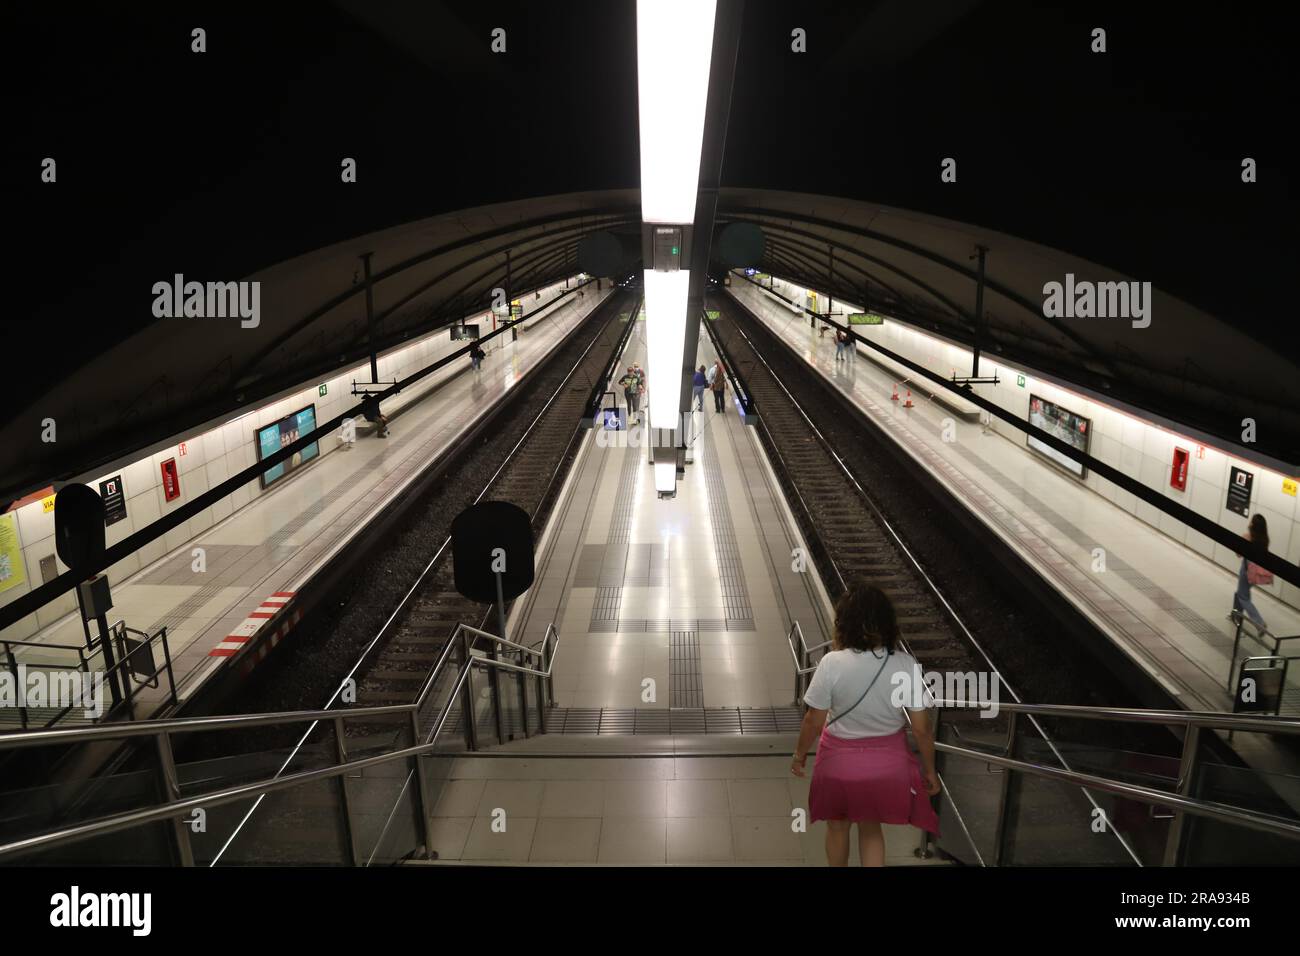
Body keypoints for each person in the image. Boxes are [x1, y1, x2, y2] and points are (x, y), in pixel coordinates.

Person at [792, 581, 940, 866]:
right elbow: (922, 728)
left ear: (843, 623)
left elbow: (813, 720)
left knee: (837, 826)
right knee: (871, 828)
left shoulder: (832, 663)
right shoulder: (905, 664)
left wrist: (799, 756)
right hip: (887, 767)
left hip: (838, 765)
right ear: (887, 623)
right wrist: (930, 769)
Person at [1231, 514, 1271, 632]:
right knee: (1241, 593)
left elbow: (1238, 554)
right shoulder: (1265, 540)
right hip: (1257, 573)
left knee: (1243, 597)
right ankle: (1236, 616)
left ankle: (1259, 623)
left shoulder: (1248, 537)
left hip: (1246, 571)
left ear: (1252, 525)